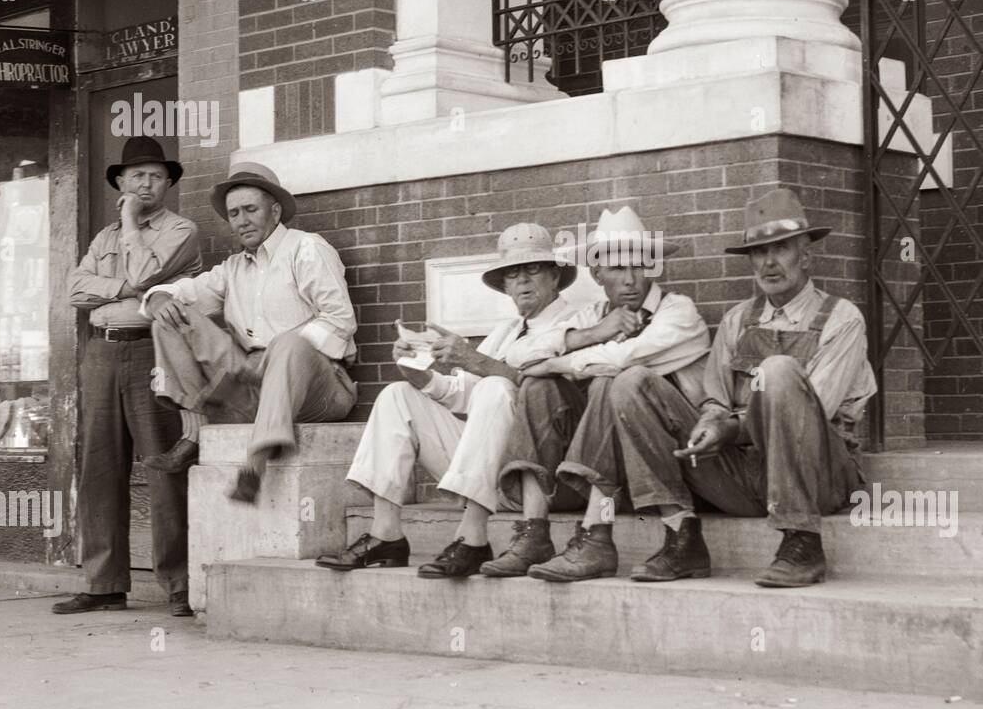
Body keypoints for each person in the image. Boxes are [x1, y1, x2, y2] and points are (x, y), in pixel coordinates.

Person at [623, 188, 876, 588]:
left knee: (777, 371)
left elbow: (815, 414)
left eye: (782, 248)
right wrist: (710, 421)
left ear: (806, 256)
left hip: (818, 473)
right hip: (746, 476)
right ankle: (681, 535)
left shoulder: (842, 318)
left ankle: (803, 542)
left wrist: (731, 427)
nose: (769, 262)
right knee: (632, 382)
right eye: (759, 252)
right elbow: (715, 400)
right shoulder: (737, 320)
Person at [315, 223, 580, 578]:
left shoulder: (577, 323)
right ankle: (386, 534)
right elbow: (460, 395)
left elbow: (545, 392)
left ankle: (472, 537)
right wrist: (417, 371)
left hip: (549, 479)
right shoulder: (506, 331)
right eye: (512, 275)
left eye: (532, 270)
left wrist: (474, 359)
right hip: (495, 475)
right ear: (504, 286)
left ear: (554, 276)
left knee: (496, 387)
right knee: (398, 395)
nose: (522, 282)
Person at [484, 206, 710, 582]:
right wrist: (595, 333)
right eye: (618, 269)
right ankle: (534, 533)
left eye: (639, 266)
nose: (631, 279)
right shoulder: (594, 316)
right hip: (604, 465)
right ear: (597, 273)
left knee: (611, 378)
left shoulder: (678, 311)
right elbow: (519, 354)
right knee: (539, 386)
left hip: (675, 456)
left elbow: (623, 356)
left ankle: (597, 537)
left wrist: (560, 362)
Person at [140, 161, 357, 503]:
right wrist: (158, 298)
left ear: (274, 211)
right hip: (253, 385)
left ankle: (254, 463)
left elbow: (340, 319)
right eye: (234, 213)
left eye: (250, 209)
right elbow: (186, 293)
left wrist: (270, 359)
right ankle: (195, 432)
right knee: (169, 318)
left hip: (319, 387)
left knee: (288, 342)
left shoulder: (306, 249)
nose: (241, 220)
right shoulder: (232, 268)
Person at [55, 136, 202, 617]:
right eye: (136, 175)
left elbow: (146, 270)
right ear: (120, 182)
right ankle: (104, 584)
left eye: (156, 175)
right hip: (101, 351)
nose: (146, 182)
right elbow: (76, 290)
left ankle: (179, 585)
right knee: (98, 468)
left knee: (163, 467)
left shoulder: (181, 230)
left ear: (168, 184)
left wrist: (129, 228)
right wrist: (122, 289)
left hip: (154, 351)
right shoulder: (102, 238)